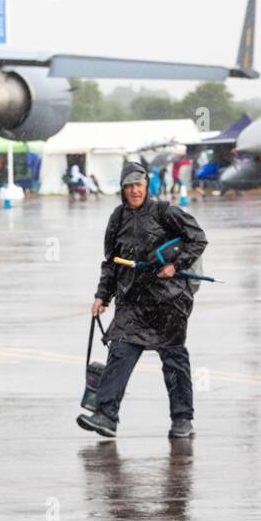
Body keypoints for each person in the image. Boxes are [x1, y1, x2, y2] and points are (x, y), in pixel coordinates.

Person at [78, 161, 207, 440]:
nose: (134, 190)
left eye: (138, 185)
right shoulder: (117, 218)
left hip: (168, 301)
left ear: (147, 185)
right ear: (122, 190)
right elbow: (111, 261)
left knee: (173, 360)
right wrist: (102, 295)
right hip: (132, 302)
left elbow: (198, 239)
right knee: (119, 353)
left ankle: (182, 419)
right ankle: (105, 415)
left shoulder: (165, 212)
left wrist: (175, 264)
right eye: (129, 186)